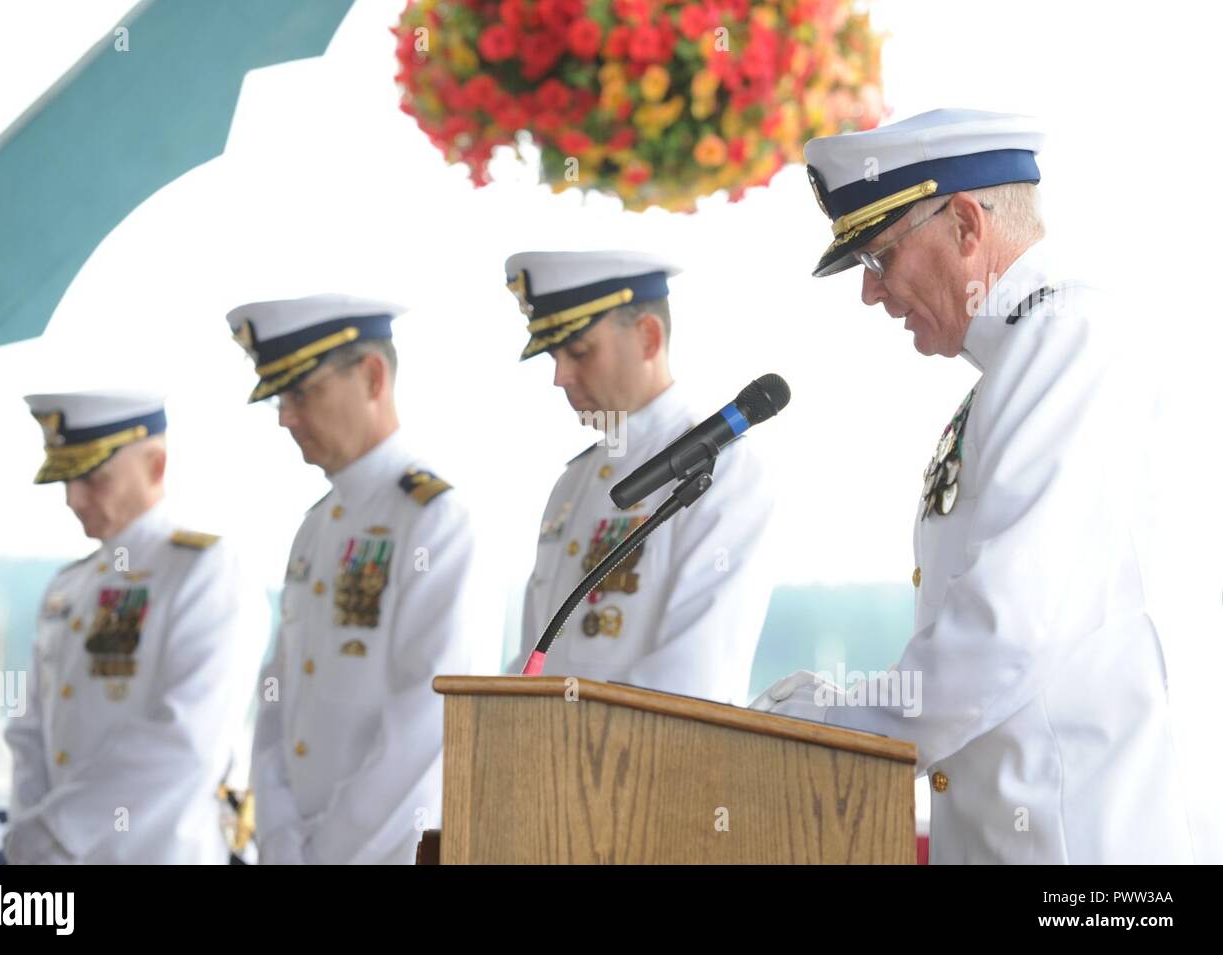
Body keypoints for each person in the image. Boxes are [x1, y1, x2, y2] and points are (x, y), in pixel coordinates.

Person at [752, 108, 1223, 863]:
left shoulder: (1069, 339)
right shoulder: (1020, 364)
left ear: (966, 225)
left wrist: (832, 720)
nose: (873, 295)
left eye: (879, 257)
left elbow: (1007, 629)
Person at [228, 293, 474, 864]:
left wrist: (325, 854)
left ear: (370, 376)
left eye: (301, 392)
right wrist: (282, 840)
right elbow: (277, 704)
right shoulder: (317, 526)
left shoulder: (433, 519)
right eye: (279, 398)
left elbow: (428, 719)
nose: (286, 416)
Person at [5, 390, 269, 863]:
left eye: (94, 479)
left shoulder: (203, 572)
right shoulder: (69, 586)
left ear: (156, 465)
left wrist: (57, 831)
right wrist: (33, 835)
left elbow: (184, 738)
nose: (73, 499)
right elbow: (30, 733)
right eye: (65, 480)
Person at [505, 251, 774, 705]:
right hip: (546, 764)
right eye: (554, 355)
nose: (560, 376)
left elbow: (691, 681)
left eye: (578, 352)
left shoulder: (724, 471)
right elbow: (536, 659)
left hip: (647, 767)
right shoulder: (572, 483)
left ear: (648, 338)